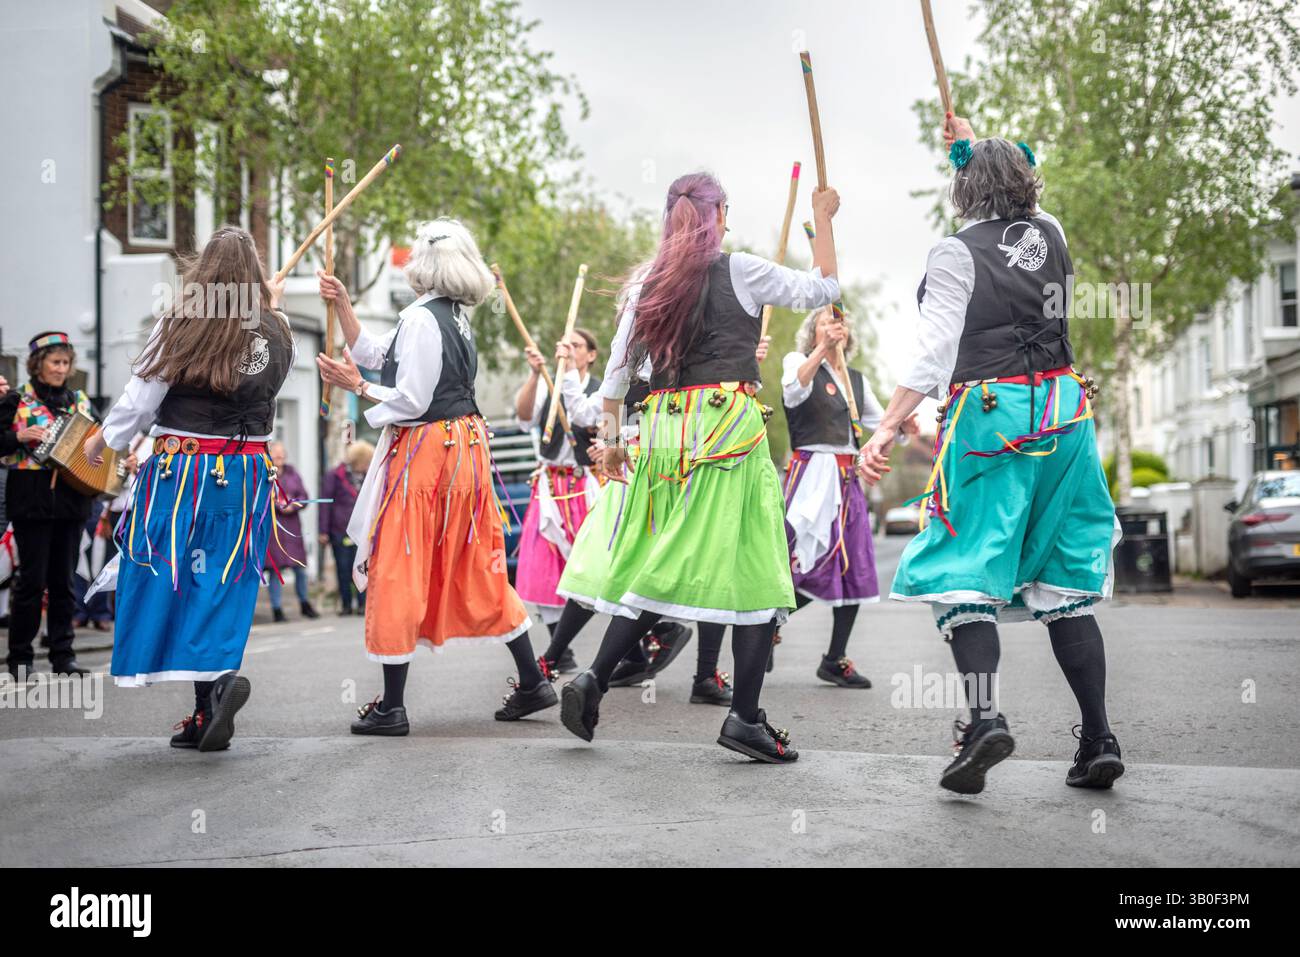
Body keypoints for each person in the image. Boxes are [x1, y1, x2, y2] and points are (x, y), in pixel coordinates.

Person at [857, 115, 1122, 793]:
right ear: (1026, 181)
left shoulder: (953, 253)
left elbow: (935, 352)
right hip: (1065, 414)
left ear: (964, 186)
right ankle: (1097, 738)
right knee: (1065, 581)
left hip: (993, 417)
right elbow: (1020, 214)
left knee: (962, 568)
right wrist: (977, 141)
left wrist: (887, 425)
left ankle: (983, 720)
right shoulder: (1053, 233)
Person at [554, 171, 843, 762]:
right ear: (720, 215)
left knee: (665, 560)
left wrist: (610, 444)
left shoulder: (644, 285)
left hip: (662, 433)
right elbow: (825, 288)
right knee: (761, 567)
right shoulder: (740, 270)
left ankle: (595, 678)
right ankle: (744, 718)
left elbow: (613, 379)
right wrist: (825, 219)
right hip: (723, 429)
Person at [316, 218, 550, 735]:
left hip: (428, 451)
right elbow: (382, 355)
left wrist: (358, 386)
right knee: (476, 560)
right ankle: (533, 679)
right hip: (463, 448)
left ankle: (392, 707)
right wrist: (343, 306)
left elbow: (411, 399)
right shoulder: (452, 317)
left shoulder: (423, 318)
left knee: (398, 560)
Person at [85, 225, 293, 752]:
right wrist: (272, 314)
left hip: (184, 473)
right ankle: (211, 701)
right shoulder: (278, 330)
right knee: (220, 581)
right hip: (245, 477)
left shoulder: (181, 324)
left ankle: (212, 697)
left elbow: (140, 400)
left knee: (172, 573)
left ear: (203, 270)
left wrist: (101, 442)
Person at [778, 306, 918, 687]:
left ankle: (835, 658)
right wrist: (821, 350)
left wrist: (903, 423)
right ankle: (771, 620)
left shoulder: (855, 380)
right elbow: (792, 393)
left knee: (855, 564)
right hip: (812, 473)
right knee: (804, 559)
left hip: (847, 476)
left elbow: (879, 422)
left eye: (836, 323)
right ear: (813, 333)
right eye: (825, 322)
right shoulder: (799, 361)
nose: (832, 327)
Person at [1, 332, 99, 679]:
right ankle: (20, 658)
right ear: (38, 365)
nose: (61, 369)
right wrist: (18, 437)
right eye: (55, 362)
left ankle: (63, 655)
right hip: (31, 500)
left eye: (65, 363)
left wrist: (120, 462)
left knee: (63, 582)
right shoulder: (16, 399)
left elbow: (104, 440)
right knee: (31, 582)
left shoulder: (81, 402)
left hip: (72, 502)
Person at [513, 328, 604, 673]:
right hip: (550, 487)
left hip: (587, 485)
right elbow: (523, 418)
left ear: (591, 354)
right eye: (565, 347)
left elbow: (612, 430)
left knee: (600, 566)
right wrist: (536, 373)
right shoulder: (549, 386)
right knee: (547, 568)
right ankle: (559, 652)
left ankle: (639, 648)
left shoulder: (601, 390)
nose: (570, 352)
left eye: (577, 346)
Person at [263, 441, 319, 622]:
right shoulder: (264, 473)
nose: (279, 457)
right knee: (275, 570)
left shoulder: (293, 473)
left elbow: (304, 496)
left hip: (292, 528)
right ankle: (277, 609)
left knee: (300, 569)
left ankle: (304, 604)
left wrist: (293, 504)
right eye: (276, 454)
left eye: (282, 454)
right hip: (272, 529)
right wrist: (275, 502)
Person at [319, 440, 374, 616]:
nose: (368, 465)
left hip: (363, 530)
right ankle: (346, 604)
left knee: (362, 567)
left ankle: (362, 604)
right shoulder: (334, 476)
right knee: (343, 568)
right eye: (366, 461)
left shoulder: (369, 476)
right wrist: (323, 531)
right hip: (339, 528)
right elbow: (325, 504)